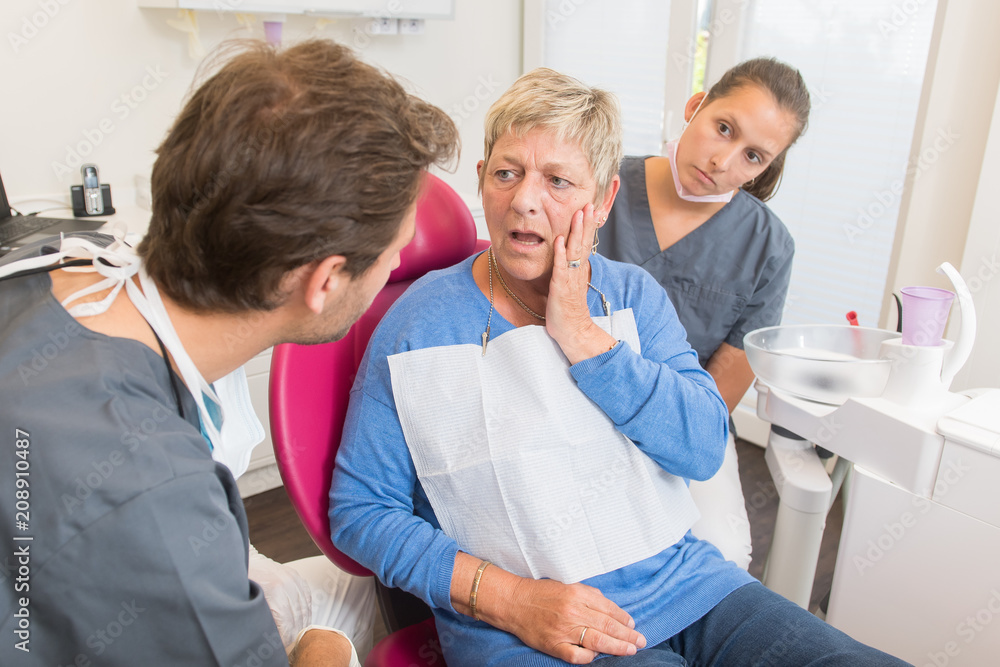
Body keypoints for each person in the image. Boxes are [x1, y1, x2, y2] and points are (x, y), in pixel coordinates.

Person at [329, 68, 906, 665]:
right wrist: (511, 599)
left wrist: (582, 334)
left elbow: (703, 446)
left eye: (558, 181)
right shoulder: (417, 323)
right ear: (482, 181)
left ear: (603, 200)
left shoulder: (631, 297)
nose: (526, 200)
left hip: (686, 587)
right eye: (508, 173)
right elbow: (361, 510)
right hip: (527, 627)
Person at [0, 38, 458, 666]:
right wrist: (321, 650)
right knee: (335, 630)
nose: (400, 264)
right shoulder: (156, 494)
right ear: (323, 282)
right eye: (394, 252)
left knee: (349, 591)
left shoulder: (53, 261)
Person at [599, 57, 809, 568]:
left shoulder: (768, 247)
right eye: (723, 128)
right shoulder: (598, 183)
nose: (724, 161)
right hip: (574, 404)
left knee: (722, 551)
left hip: (685, 425)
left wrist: (657, 443)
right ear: (696, 107)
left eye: (753, 156)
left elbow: (720, 392)